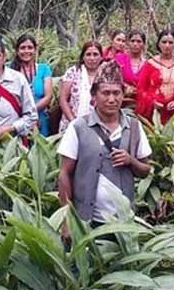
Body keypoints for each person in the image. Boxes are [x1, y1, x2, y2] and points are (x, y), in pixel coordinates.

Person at [57, 61, 152, 227]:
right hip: (86, 221)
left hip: (123, 222)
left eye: (117, 93)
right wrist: (66, 221)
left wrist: (131, 161)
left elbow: (146, 170)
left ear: (123, 95)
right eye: (105, 93)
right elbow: (64, 174)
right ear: (94, 96)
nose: (111, 99)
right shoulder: (78, 127)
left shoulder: (134, 127)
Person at [135, 29, 174, 124]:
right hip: (155, 114)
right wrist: (152, 102)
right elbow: (141, 90)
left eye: (170, 42)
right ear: (158, 43)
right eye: (164, 42)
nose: (167, 45)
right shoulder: (150, 64)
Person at [10, 34, 52, 136]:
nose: (26, 51)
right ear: (17, 50)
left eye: (30, 47)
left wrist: (31, 114)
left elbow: (48, 97)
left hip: (40, 117)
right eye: (22, 48)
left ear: (35, 49)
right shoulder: (9, 70)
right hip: (15, 119)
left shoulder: (44, 69)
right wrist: (26, 118)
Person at [60, 41, 104, 133]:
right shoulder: (73, 72)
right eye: (88, 54)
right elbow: (63, 100)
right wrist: (74, 122)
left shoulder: (106, 73)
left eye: (95, 54)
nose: (92, 58)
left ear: (101, 57)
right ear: (83, 57)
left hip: (101, 126)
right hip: (72, 124)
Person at [114, 30, 147, 105]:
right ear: (128, 43)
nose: (135, 44)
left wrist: (135, 90)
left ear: (144, 44)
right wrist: (125, 86)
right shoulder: (119, 59)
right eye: (132, 41)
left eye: (139, 41)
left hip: (141, 104)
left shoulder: (148, 64)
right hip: (120, 102)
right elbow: (112, 78)